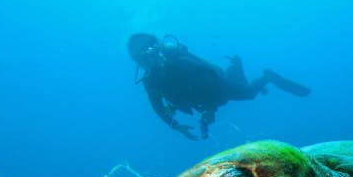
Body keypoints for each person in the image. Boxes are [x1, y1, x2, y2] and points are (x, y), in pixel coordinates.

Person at [127, 33, 311, 140]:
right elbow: (158, 107)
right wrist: (176, 126)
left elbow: (212, 78)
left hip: (219, 87)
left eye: (150, 56)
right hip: (204, 99)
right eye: (143, 60)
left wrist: (210, 109)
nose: (150, 62)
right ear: (138, 61)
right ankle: (235, 66)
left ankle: (265, 76)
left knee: (247, 93)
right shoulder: (150, 80)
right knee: (240, 90)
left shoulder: (180, 62)